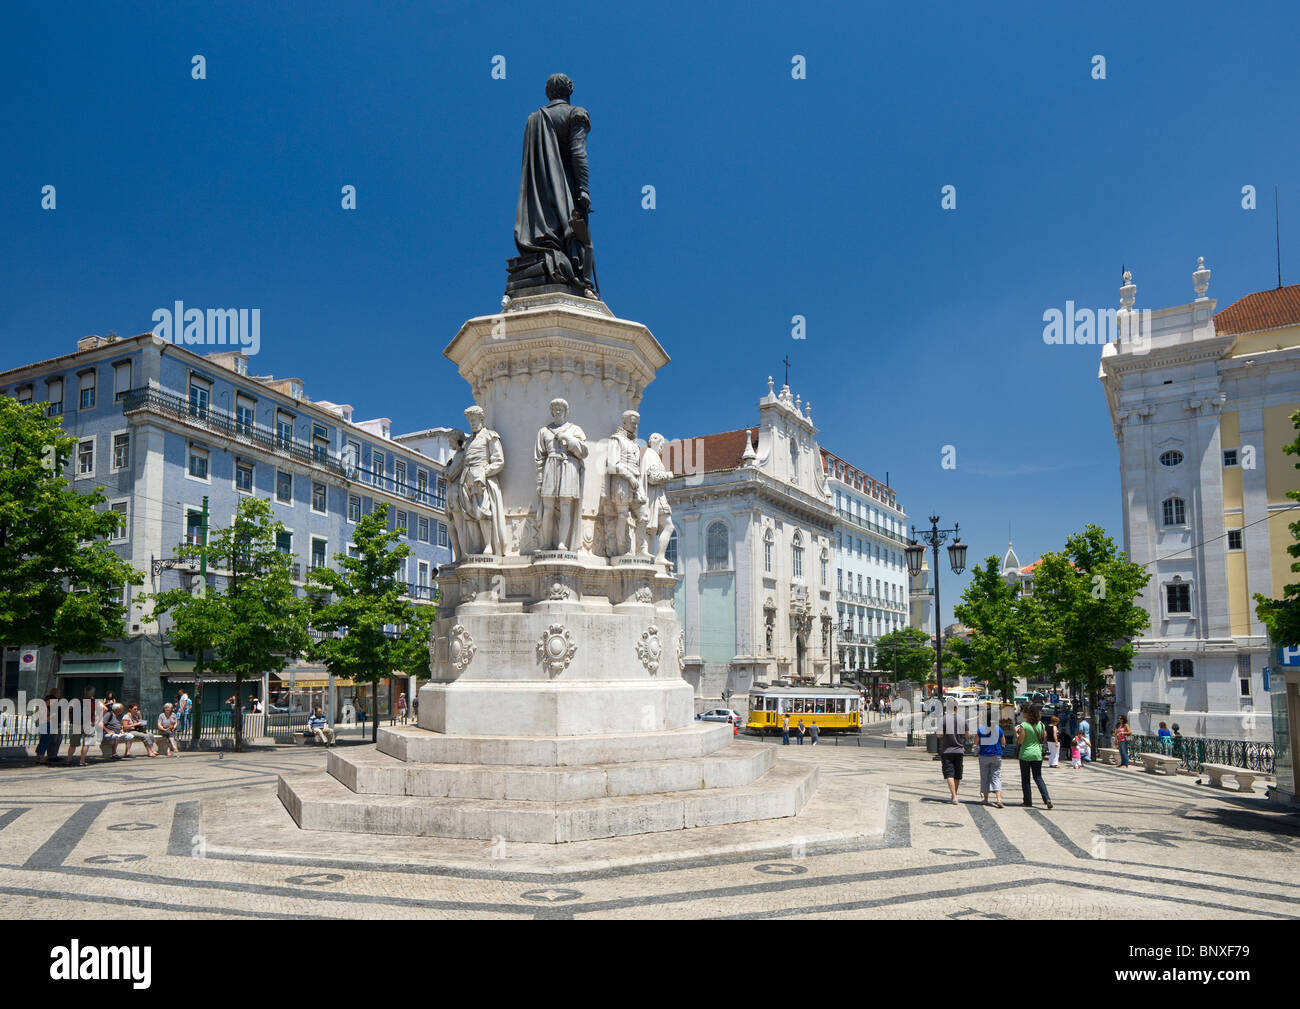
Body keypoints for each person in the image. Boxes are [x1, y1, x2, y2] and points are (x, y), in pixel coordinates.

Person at [1014, 705, 1053, 809]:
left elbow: (1021, 741)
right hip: (1037, 754)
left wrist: (1016, 734)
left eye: (1024, 712)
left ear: (1028, 714)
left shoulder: (1024, 725)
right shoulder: (1041, 725)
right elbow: (1043, 739)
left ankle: (1027, 801)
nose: (1022, 713)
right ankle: (1047, 798)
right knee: (1038, 777)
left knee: (1026, 779)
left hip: (1026, 754)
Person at [974, 710, 1005, 808]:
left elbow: (976, 742)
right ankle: (999, 799)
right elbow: (1003, 742)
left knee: (984, 777)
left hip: (984, 755)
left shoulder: (981, 729)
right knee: (996, 776)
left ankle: (986, 799)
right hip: (996, 755)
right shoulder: (998, 729)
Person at [939, 706, 967, 805]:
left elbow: (939, 735)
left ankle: (954, 797)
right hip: (959, 751)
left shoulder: (943, 720)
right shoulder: (962, 720)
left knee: (949, 774)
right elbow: (967, 735)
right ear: (957, 708)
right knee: (957, 774)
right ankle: (954, 795)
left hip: (947, 751)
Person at [69, 688, 99, 766]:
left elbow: (69, 708)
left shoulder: (78, 700)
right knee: (86, 743)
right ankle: (82, 761)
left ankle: (68, 760)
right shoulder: (94, 702)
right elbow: (104, 709)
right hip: (88, 723)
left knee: (73, 743)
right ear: (92, 694)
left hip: (77, 723)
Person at [35, 689, 63, 765]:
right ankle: (41, 758)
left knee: (43, 741)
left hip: (45, 724)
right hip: (46, 725)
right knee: (45, 741)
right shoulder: (44, 707)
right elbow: (46, 718)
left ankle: (38, 757)